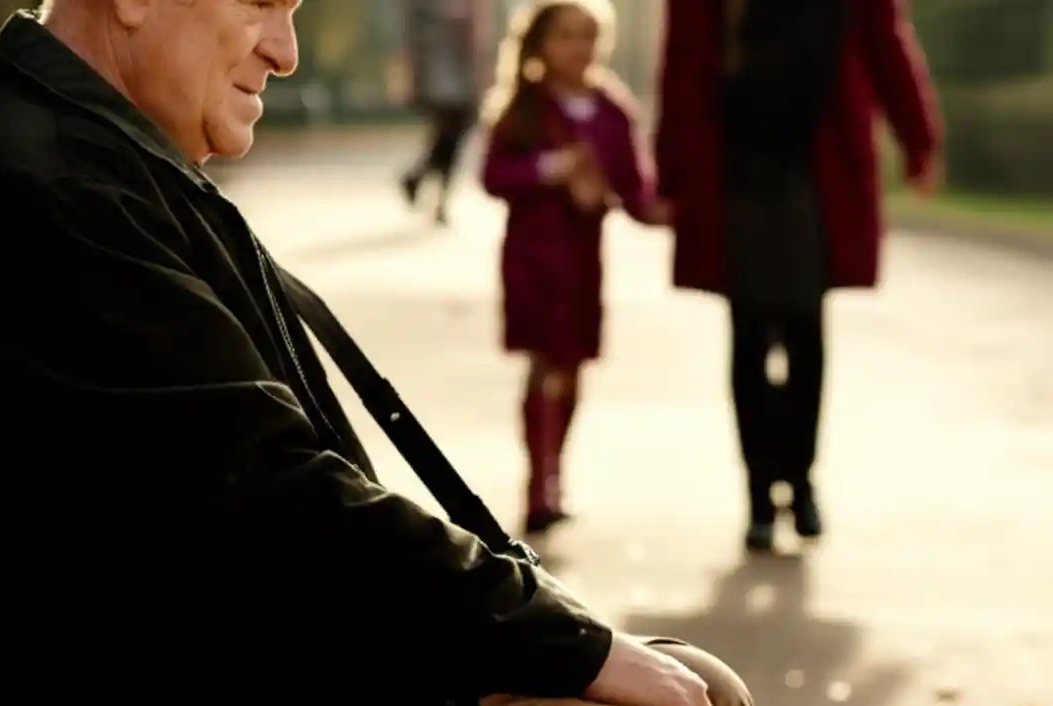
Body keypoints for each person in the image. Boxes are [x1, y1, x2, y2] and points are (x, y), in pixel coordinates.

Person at [0, 2, 752, 706]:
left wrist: (546, 633)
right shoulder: (48, 192)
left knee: (695, 683)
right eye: (261, 3)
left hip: (230, 660)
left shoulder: (89, 157)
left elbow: (262, 499)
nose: (286, 52)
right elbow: (281, 497)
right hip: (180, 689)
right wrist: (568, 643)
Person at [653, 0, 942, 551]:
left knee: (805, 333)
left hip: (814, 168)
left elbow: (886, 45)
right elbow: (683, 67)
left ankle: (802, 479)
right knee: (750, 335)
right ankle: (760, 494)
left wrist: (919, 140)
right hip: (733, 169)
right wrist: (672, 171)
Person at [481, 1, 669, 535]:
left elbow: (636, 192)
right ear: (541, 43)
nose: (577, 48)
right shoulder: (525, 107)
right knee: (545, 363)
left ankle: (556, 466)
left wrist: (681, 210)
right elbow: (493, 176)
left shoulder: (613, 112)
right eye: (565, 36)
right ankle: (539, 480)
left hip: (585, 264)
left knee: (573, 366)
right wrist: (550, 169)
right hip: (533, 259)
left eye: (587, 36)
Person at [399, 0, 481, 225]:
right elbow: (411, 35)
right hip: (437, 73)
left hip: (462, 73)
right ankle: (431, 191)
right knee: (448, 135)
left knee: (452, 137)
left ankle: (420, 180)